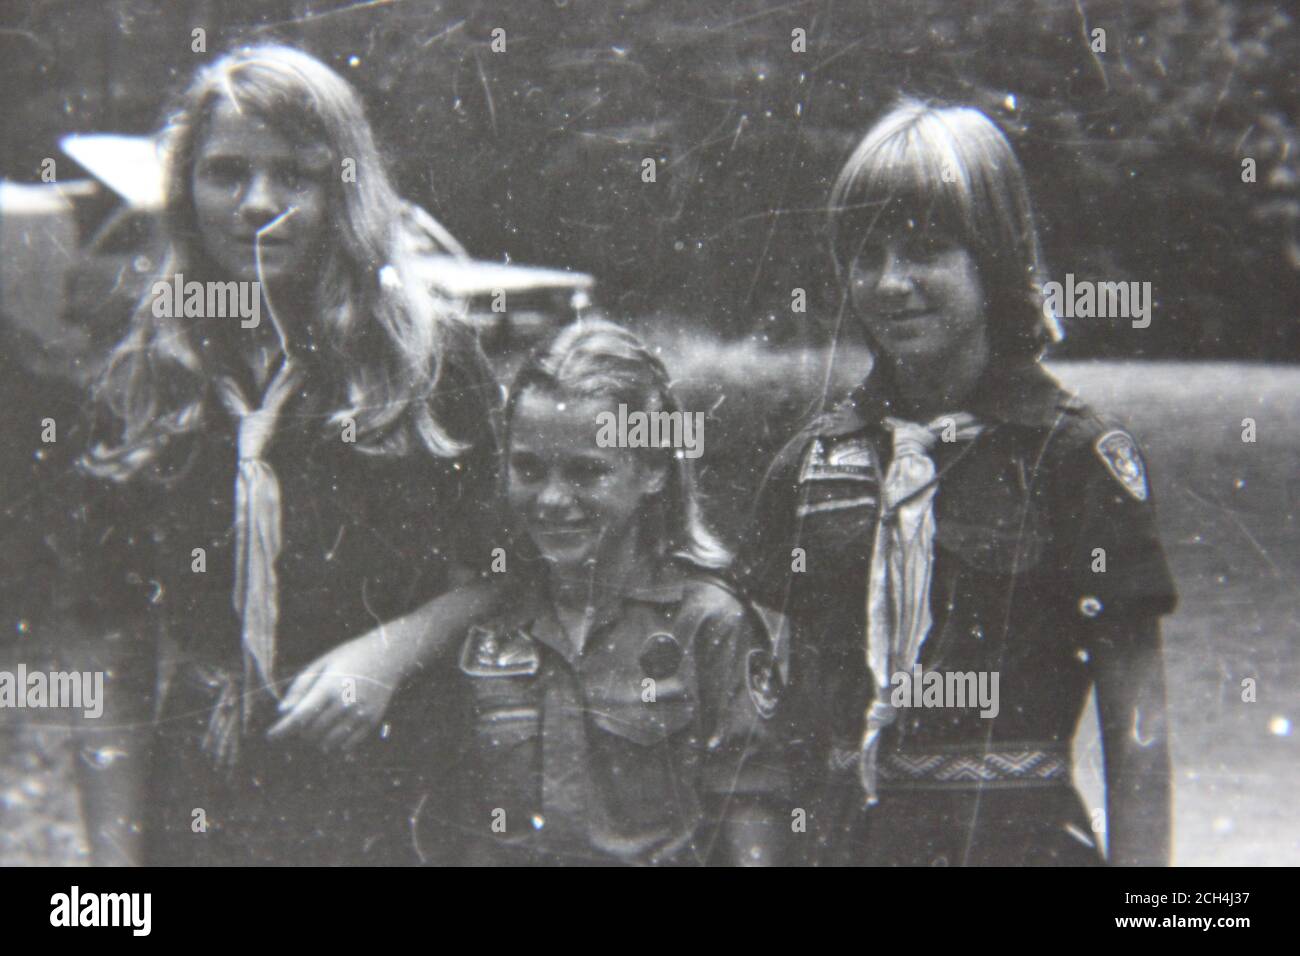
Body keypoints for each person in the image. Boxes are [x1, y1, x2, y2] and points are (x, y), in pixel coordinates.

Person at [68, 43, 503, 865]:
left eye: (294, 176)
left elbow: (502, 567)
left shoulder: (425, 359)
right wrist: (114, 880)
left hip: (391, 786)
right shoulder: (146, 375)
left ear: (342, 185)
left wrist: (390, 650)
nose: (257, 203)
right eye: (226, 173)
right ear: (185, 191)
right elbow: (110, 649)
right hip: (210, 793)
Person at [738, 98, 1176, 866]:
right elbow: (775, 730)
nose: (890, 282)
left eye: (926, 250)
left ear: (996, 258)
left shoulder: (1075, 460)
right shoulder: (811, 466)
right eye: (866, 256)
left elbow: (1137, 736)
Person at [415, 319, 787, 865]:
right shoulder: (492, 618)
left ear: (652, 469)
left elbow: (754, 802)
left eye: (586, 472)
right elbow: (458, 816)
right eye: (528, 468)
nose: (552, 499)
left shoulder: (708, 623)